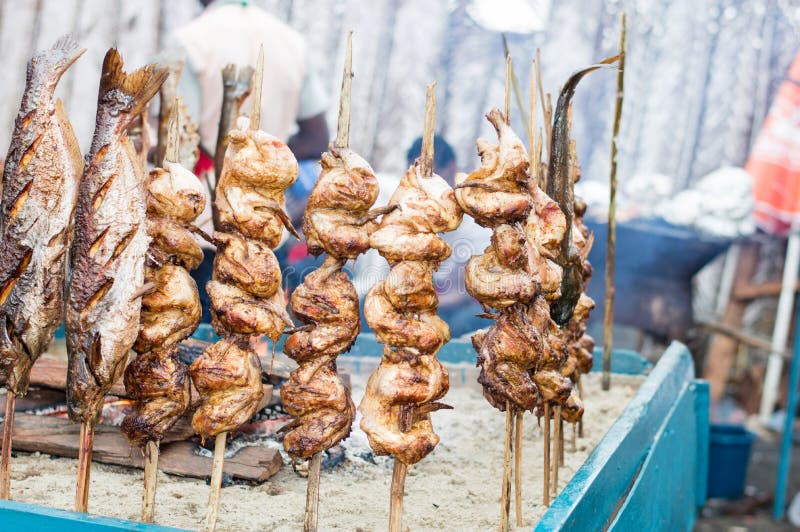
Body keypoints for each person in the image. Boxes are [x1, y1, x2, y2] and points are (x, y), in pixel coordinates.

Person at [167, 0, 329, 321]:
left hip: (204, 235)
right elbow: (317, 138)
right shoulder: (293, 43)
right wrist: (268, 158)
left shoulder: (190, 40)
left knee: (196, 349)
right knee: (258, 342)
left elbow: (176, 141)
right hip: (268, 233)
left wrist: (249, 158)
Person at [354, 135, 491, 338]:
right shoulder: (407, 211)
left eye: (428, 175)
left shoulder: (472, 220)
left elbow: (462, 292)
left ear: (450, 168)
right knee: (366, 307)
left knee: (464, 321)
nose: (421, 185)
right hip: (409, 299)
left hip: (451, 305)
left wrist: (422, 303)